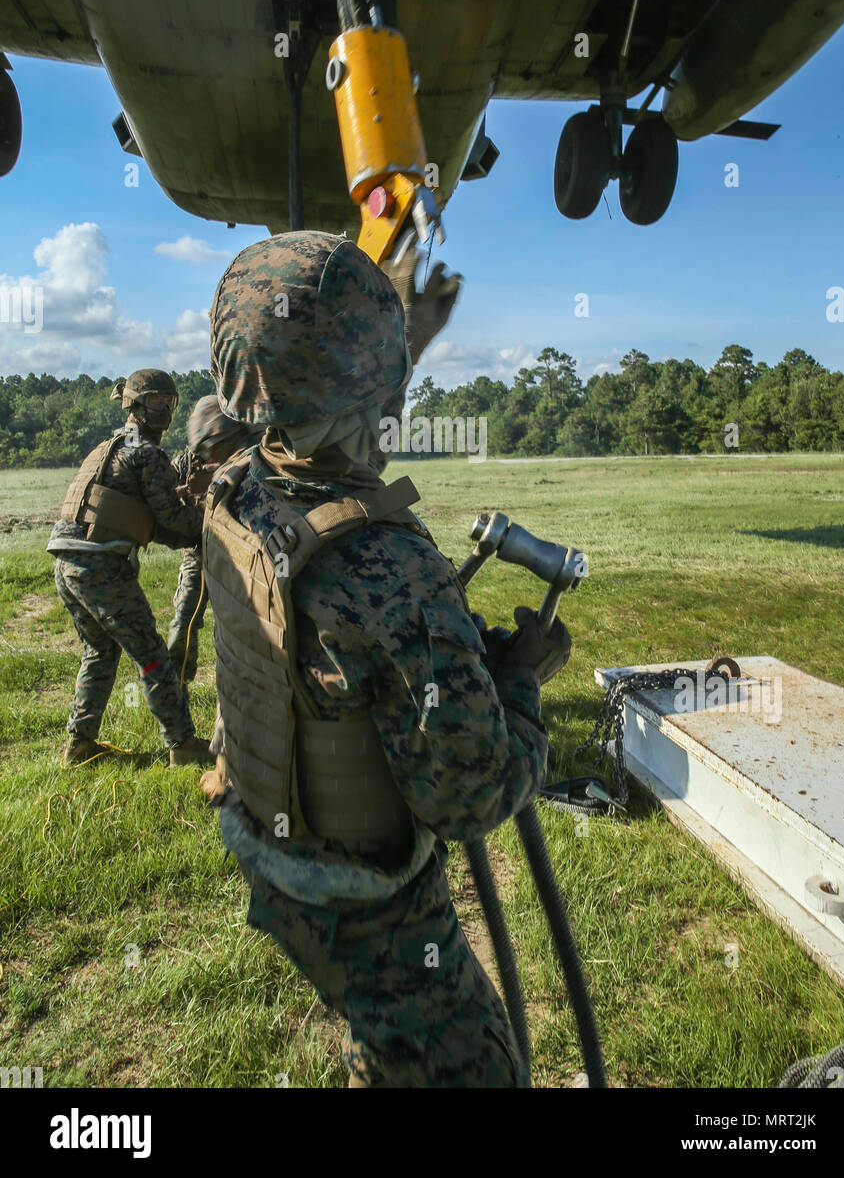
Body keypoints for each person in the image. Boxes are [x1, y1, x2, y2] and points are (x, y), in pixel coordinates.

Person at [201, 232, 571, 1087]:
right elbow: (471, 796)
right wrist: (518, 686)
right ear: (371, 390)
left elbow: (294, 370)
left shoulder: (233, 482)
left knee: (377, 1039)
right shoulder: (392, 574)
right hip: (364, 908)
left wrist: (395, 333)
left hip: (267, 850)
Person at [48, 369, 214, 768]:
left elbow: (151, 524)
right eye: (157, 402)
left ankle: (79, 745)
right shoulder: (145, 453)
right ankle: (182, 745)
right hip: (100, 566)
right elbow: (171, 520)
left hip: (68, 563)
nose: (165, 411)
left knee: (100, 651)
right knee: (152, 655)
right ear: (135, 405)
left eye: (170, 403)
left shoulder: (107, 447)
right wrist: (213, 521)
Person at [166, 395, 262, 689]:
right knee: (184, 620)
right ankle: (176, 683)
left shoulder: (252, 459)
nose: (209, 456)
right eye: (205, 448)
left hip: (242, 552)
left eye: (214, 447)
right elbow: (162, 495)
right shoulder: (185, 463)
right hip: (198, 550)